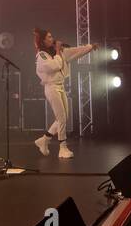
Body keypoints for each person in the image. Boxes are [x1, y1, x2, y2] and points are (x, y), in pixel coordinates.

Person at [32, 28, 94, 159]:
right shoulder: (42, 55)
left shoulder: (56, 52)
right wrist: (59, 51)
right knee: (61, 118)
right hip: (51, 87)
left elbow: (74, 52)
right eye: (49, 37)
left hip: (60, 86)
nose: (52, 38)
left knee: (63, 118)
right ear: (43, 40)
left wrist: (90, 47)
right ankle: (63, 148)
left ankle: (44, 140)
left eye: (51, 36)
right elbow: (55, 66)